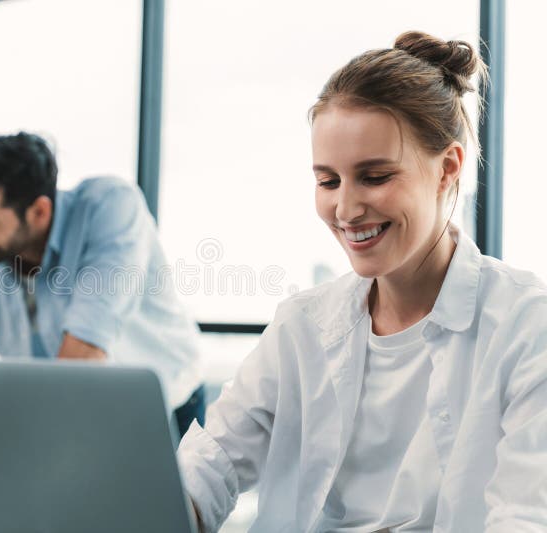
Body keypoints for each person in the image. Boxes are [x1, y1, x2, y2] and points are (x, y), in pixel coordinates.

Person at [177, 31, 547, 532]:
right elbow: (214, 461)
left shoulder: (527, 327)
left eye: (375, 177)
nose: (346, 210)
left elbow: (526, 517)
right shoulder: (302, 325)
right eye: (328, 181)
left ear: (448, 169)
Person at [0, 132, 205, 436]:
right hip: (61, 412)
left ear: (39, 211)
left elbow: (84, 357)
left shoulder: (109, 209)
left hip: (164, 403)